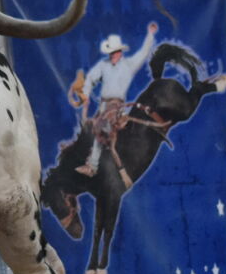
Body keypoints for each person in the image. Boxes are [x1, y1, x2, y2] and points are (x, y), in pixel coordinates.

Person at [68, 21, 160, 177]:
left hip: (117, 106)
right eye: (111, 52)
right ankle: (93, 164)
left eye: (115, 52)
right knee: (95, 128)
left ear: (120, 52)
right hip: (104, 105)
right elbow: (90, 78)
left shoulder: (129, 65)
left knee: (102, 128)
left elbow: (143, 53)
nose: (113, 55)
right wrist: (86, 94)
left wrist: (150, 35)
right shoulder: (103, 65)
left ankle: (93, 166)